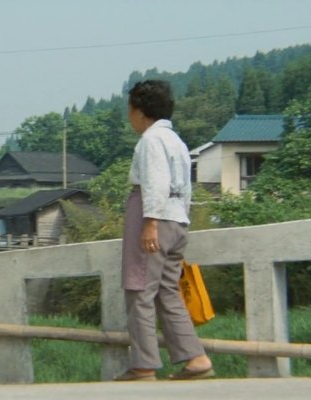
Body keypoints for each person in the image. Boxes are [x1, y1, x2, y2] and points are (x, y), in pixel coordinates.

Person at [114, 80, 213, 382]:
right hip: (178, 220)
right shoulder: (177, 142)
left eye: (129, 109)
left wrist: (150, 223)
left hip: (153, 217)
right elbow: (185, 188)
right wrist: (178, 219)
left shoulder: (150, 140)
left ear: (138, 110)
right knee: (167, 291)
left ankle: (143, 365)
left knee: (139, 290)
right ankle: (195, 358)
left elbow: (154, 183)